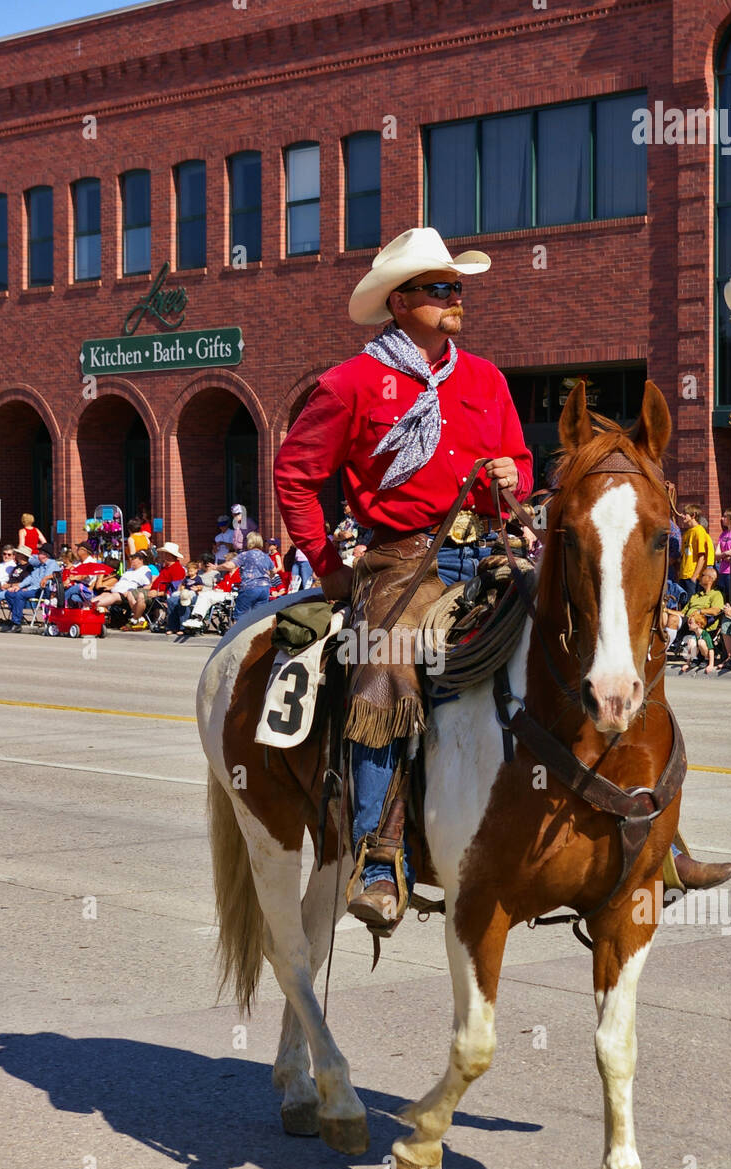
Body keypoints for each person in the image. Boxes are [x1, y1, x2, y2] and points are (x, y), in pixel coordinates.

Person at [275, 226, 533, 930]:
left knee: (584, 625)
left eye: (458, 288)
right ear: (400, 302)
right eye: (441, 289)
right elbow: (296, 476)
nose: (457, 300)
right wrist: (328, 567)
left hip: (488, 549)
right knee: (382, 663)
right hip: (401, 559)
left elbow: (518, 462)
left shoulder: (485, 378)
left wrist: (514, 477)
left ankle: (643, 833)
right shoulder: (350, 383)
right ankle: (379, 855)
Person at [0, 542, 60, 632]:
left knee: (19, 594)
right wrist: (19, 586)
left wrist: (27, 588)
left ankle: (16, 623)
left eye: (39, 553)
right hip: (32, 588)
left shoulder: (52, 564)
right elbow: (31, 578)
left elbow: (51, 578)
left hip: (42, 591)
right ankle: (16, 618)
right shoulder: (40, 565)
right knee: (10, 593)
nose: (37, 554)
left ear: (45, 555)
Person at [128, 541, 185, 628]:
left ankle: (136, 619)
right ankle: (140, 619)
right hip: (153, 591)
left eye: (165, 554)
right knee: (130, 593)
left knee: (140, 596)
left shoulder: (178, 569)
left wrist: (159, 593)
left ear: (170, 555)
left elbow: (175, 588)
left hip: (161, 595)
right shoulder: (166, 567)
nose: (163, 556)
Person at [225, 531, 276, 619]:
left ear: (250, 542)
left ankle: (240, 632)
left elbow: (230, 565)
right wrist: (270, 577)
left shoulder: (245, 555)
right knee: (259, 617)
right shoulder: (266, 556)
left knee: (241, 616)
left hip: (250, 587)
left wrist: (216, 567)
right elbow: (274, 570)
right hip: (264, 589)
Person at [677, 504, 714, 599]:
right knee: (683, 605)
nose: (683, 516)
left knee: (692, 605)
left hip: (692, 576)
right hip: (683, 575)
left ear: (693, 515)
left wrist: (695, 576)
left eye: (686, 514)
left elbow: (701, 557)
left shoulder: (699, 532)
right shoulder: (687, 533)